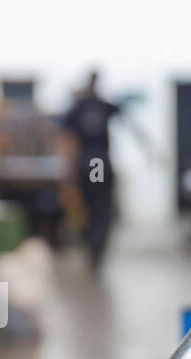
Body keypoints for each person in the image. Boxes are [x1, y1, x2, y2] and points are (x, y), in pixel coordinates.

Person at [61, 71, 121, 269]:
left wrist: (69, 168)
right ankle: (95, 243)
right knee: (99, 205)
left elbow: (69, 138)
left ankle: (93, 243)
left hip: (90, 162)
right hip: (98, 162)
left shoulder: (79, 106)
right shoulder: (103, 105)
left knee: (94, 204)